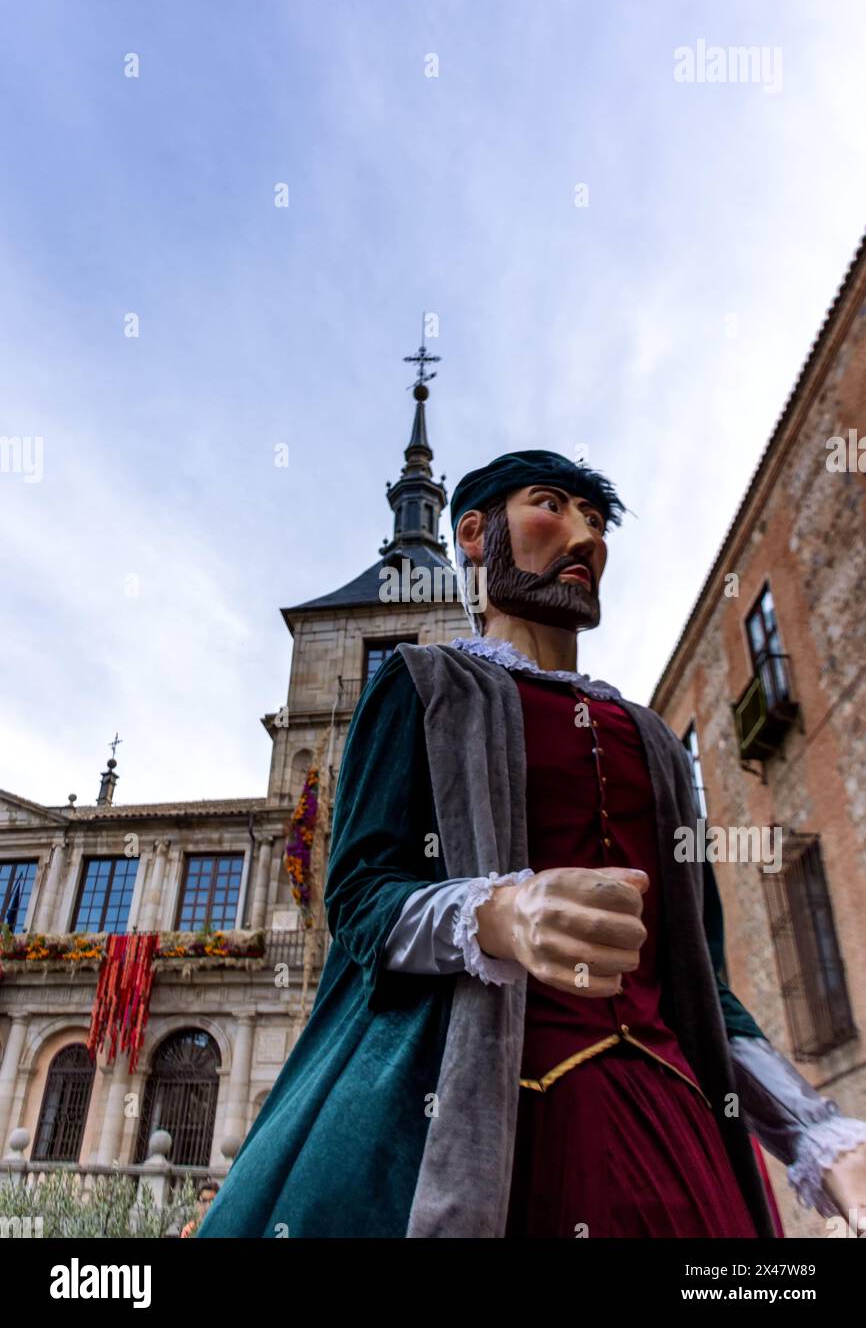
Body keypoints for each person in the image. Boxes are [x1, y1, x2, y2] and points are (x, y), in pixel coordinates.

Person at [198, 449, 866, 1238]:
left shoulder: (653, 741)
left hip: (678, 1129)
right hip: (490, 1124)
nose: (586, 536)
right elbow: (358, 899)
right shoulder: (422, 684)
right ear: (474, 534)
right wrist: (499, 914)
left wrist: (818, 1137)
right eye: (552, 505)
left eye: (597, 520)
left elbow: (696, 980)